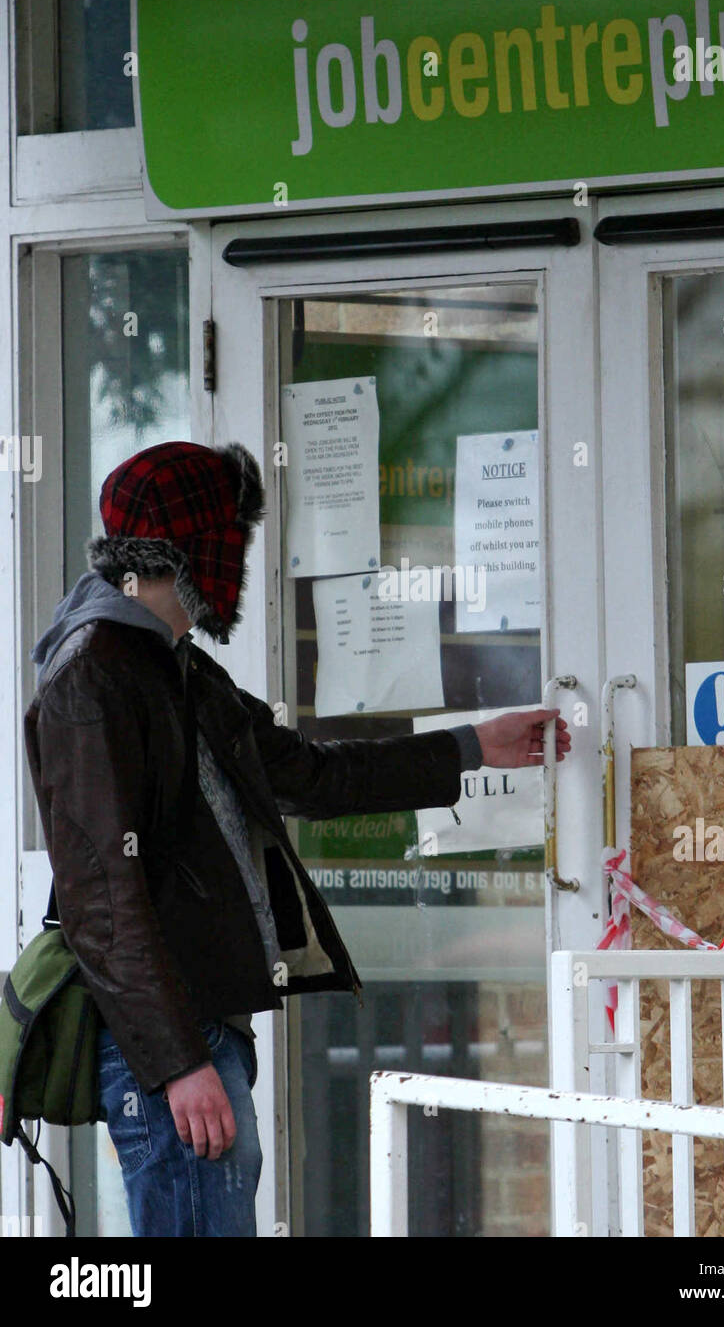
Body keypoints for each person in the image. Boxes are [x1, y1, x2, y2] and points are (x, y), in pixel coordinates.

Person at [24, 440, 571, 1237]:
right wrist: (178, 1064)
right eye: (234, 536)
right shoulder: (96, 675)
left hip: (204, 1031)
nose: (243, 556)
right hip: (167, 1049)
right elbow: (101, 900)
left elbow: (310, 774)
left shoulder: (173, 665)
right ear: (191, 547)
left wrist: (472, 746)